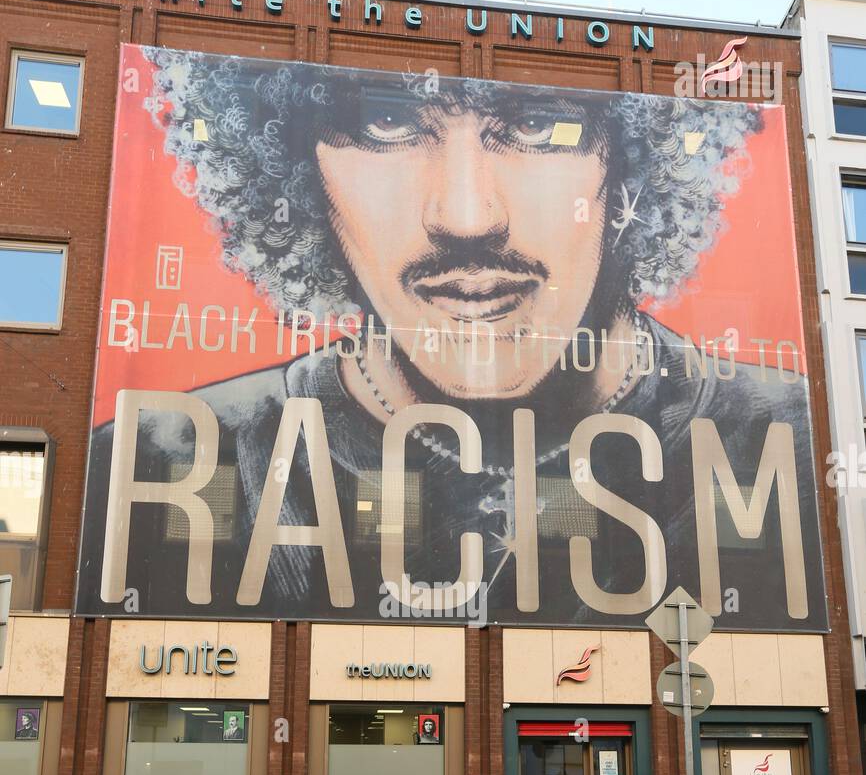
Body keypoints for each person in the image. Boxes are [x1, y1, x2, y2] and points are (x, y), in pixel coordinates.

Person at [77, 52, 825, 631]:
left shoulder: (790, 447)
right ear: (297, 169)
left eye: (536, 125)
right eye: (386, 123)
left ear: (630, 166)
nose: (467, 215)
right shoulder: (153, 465)